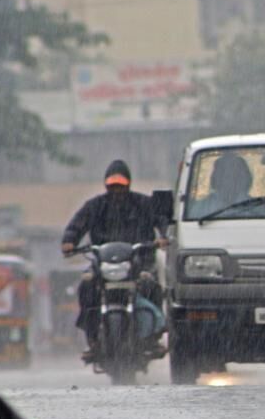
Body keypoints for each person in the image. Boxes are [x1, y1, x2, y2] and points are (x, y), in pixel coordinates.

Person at [60, 160, 169, 362]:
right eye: (112, 185)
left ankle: (153, 337)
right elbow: (77, 225)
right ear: (106, 185)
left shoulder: (143, 204)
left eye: (120, 185)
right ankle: (92, 339)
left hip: (139, 261)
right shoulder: (95, 206)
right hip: (103, 265)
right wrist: (69, 241)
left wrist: (163, 236)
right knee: (86, 286)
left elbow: (161, 219)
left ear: (128, 184)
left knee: (151, 285)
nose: (117, 190)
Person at [186, 153, 253, 218]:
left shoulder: (258, 207)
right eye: (224, 174)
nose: (229, 179)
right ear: (215, 178)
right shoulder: (201, 208)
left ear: (245, 178)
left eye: (235, 174)